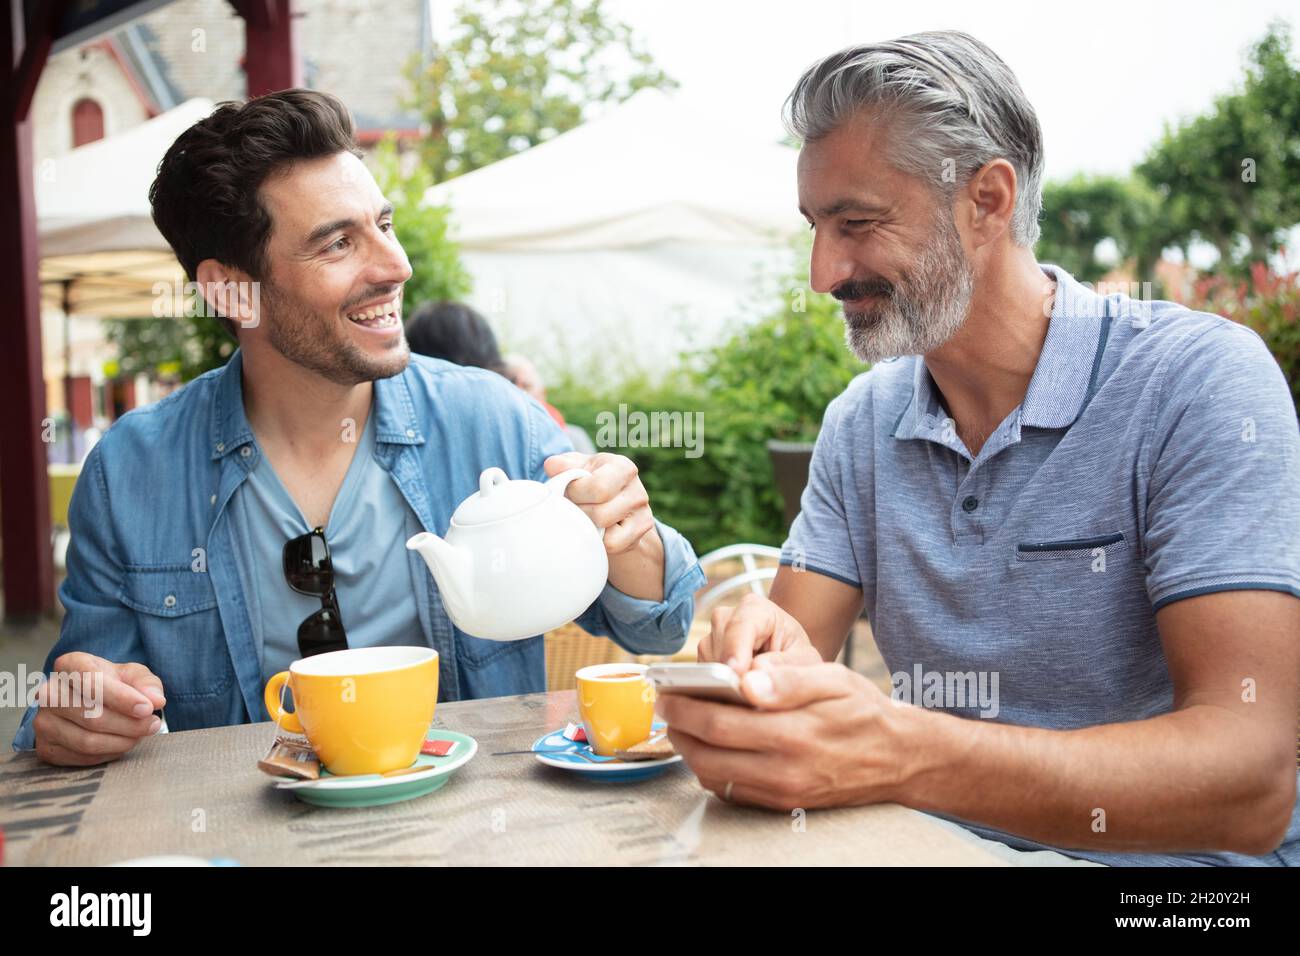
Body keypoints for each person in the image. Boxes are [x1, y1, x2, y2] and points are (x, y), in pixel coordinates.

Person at [659, 31, 1300, 867]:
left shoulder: (1197, 381)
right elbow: (789, 661)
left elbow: (1251, 784)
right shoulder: (862, 421)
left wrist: (905, 750)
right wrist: (752, 672)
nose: (822, 272)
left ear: (988, 201)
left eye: (856, 223)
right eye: (816, 226)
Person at [14, 90, 705, 765]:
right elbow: (76, 708)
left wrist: (630, 537)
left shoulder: (490, 421)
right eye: (337, 243)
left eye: (385, 224)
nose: (395, 266)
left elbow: (660, 625)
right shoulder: (132, 472)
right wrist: (75, 720)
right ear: (230, 290)